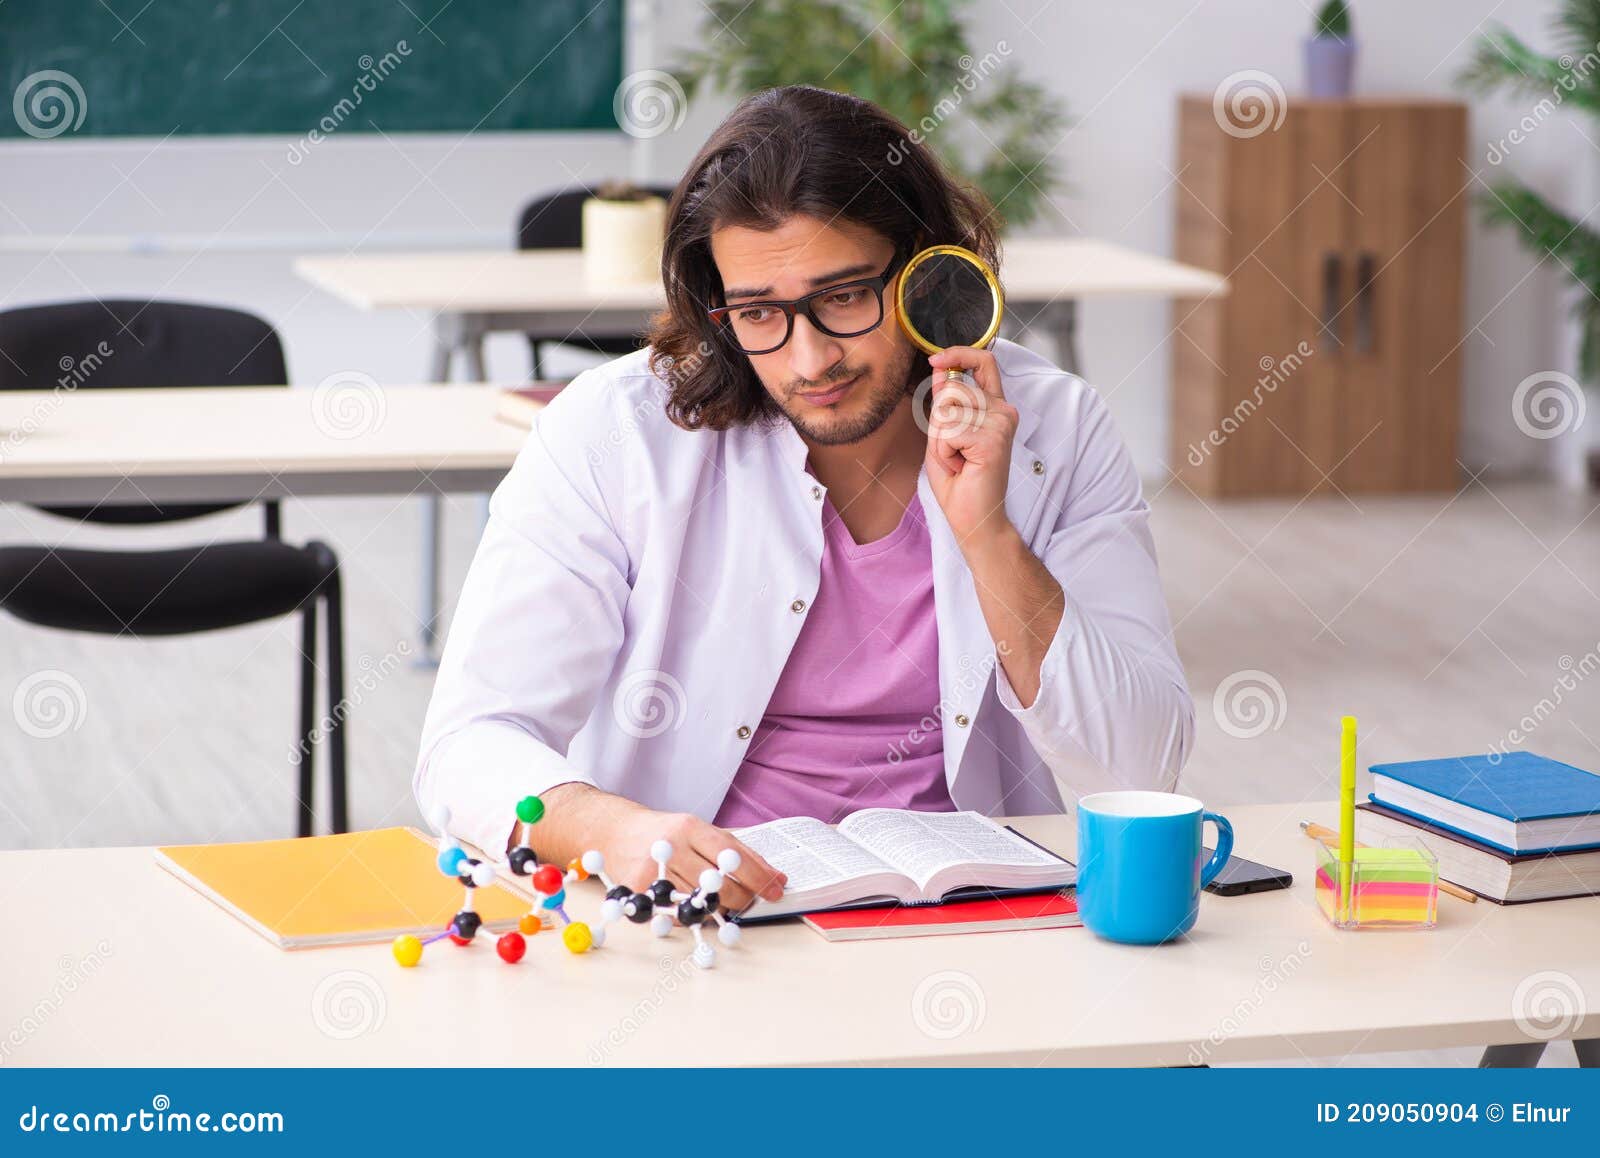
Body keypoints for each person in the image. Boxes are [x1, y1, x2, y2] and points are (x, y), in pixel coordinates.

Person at [415, 85, 1193, 911]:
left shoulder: (1055, 427)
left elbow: (1139, 768)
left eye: (844, 296)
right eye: (759, 312)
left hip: (970, 910)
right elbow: (468, 743)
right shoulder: (614, 433)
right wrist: (611, 827)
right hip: (715, 914)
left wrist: (989, 535)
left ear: (926, 271)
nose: (810, 360)